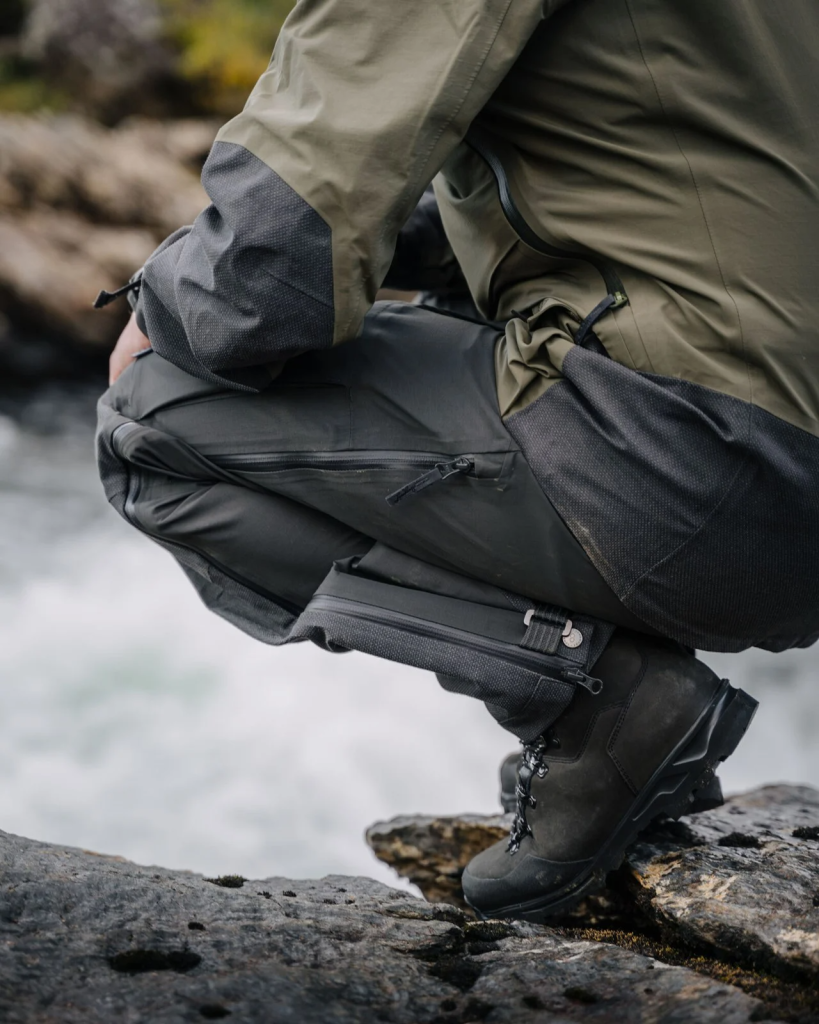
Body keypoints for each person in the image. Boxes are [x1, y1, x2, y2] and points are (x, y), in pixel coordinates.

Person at [97, 0, 819, 922]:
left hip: (699, 461)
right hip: (768, 465)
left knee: (153, 418)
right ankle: (642, 741)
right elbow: (656, 173)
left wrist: (162, 306)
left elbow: (271, 269)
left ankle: (601, 704)